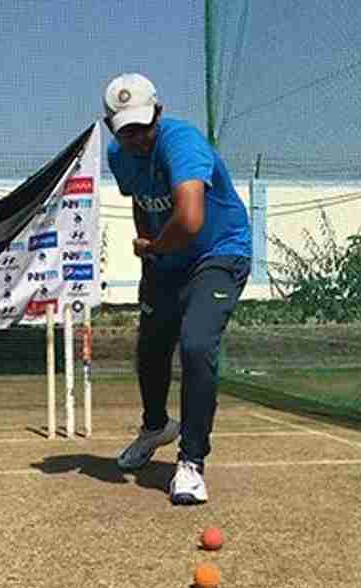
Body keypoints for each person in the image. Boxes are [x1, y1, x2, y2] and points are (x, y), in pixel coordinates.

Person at [102, 72, 252, 506]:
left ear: (159, 113)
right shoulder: (119, 156)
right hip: (167, 259)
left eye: (143, 126)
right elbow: (141, 200)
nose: (137, 138)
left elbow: (188, 220)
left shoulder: (182, 144)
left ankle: (191, 461)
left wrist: (152, 246)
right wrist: (149, 252)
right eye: (126, 130)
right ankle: (155, 428)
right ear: (111, 126)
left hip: (218, 254)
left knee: (196, 343)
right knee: (151, 347)